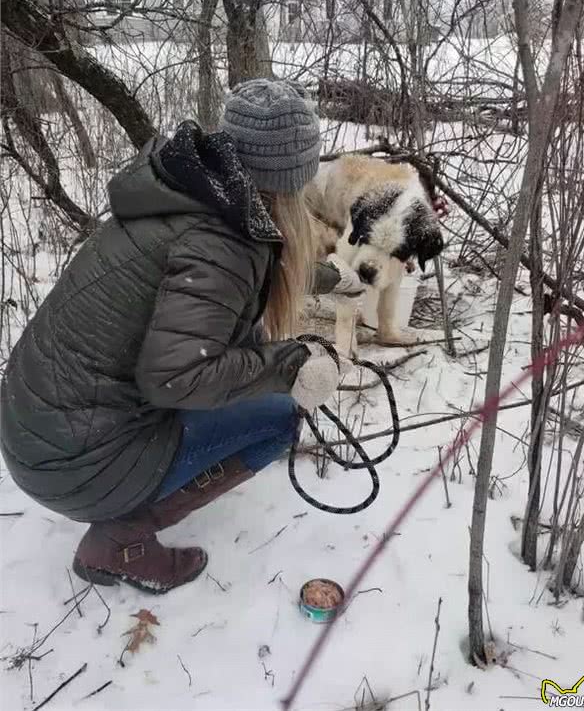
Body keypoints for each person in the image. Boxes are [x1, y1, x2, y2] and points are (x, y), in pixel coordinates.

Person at [0, 79, 365, 595]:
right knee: (278, 419)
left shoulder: (194, 198)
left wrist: (329, 277)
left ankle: (130, 500)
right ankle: (120, 541)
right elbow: (176, 377)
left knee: (245, 357)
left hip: (43, 429)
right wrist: (290, 364)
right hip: (74, 461)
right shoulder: (220, 243)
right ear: (288, 177)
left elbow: (247, 279)